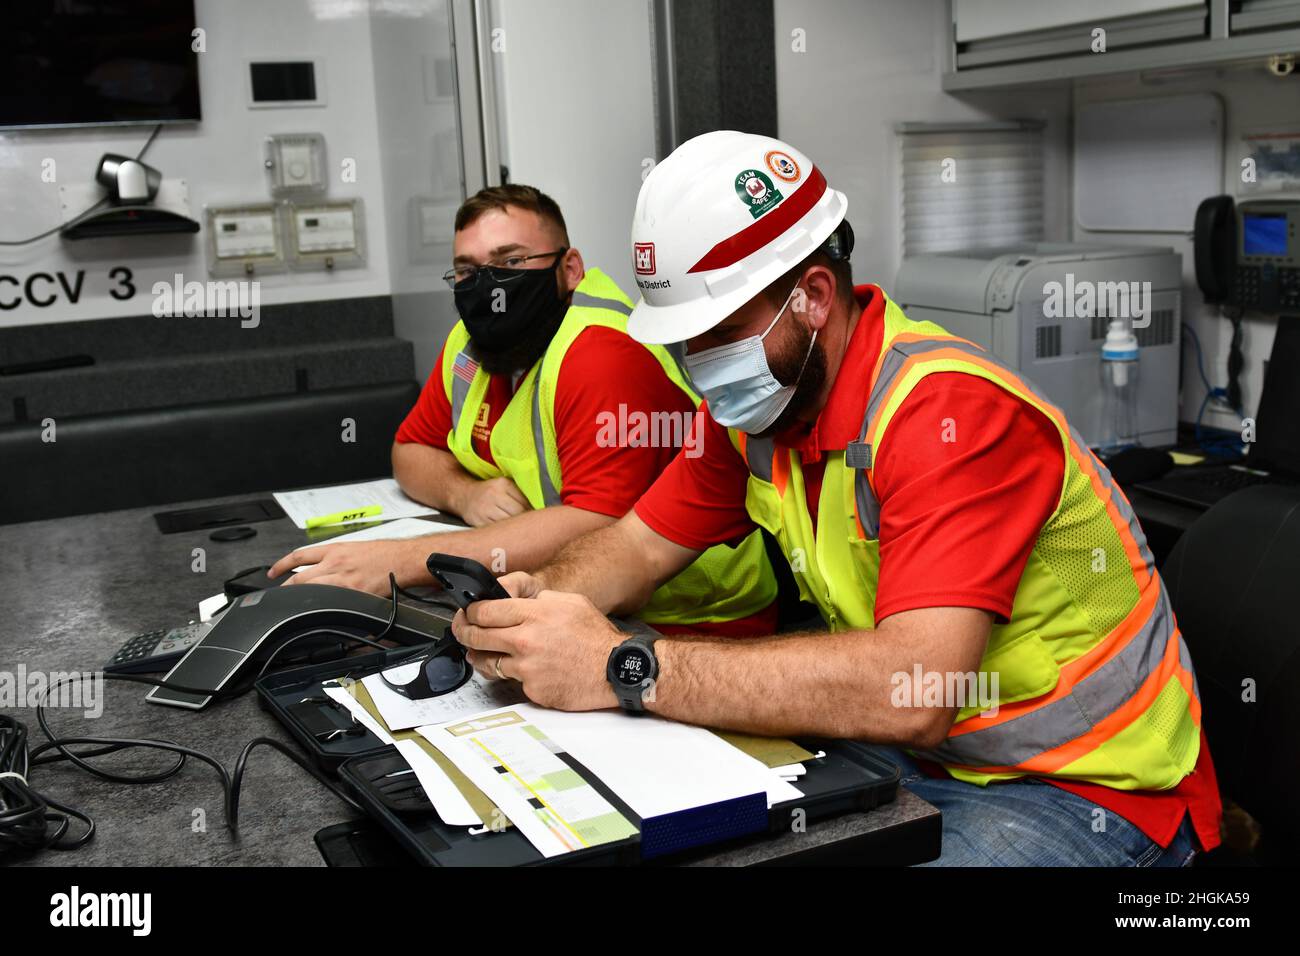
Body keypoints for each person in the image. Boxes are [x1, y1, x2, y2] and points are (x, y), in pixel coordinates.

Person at [448, 133, 1223, 866]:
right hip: (926, 756)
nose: (697, 365)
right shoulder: (760, 412)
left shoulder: (950, 419)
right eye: (684, 342)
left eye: (718, 333)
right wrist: (534, 603)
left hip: (1087, 787)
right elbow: (640, 546)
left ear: (813, 295)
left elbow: (912, 687)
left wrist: (624, 667)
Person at [271, 183, 776, 637]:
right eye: (468, 270)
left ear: (569, 268)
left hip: (690, 619)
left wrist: (401, 560)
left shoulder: (601, 355)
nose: (486, 285)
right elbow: (409, 450)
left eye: (510, 262)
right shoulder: (472, 346)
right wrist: (463, 492)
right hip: (567, 589)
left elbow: (595, 522)